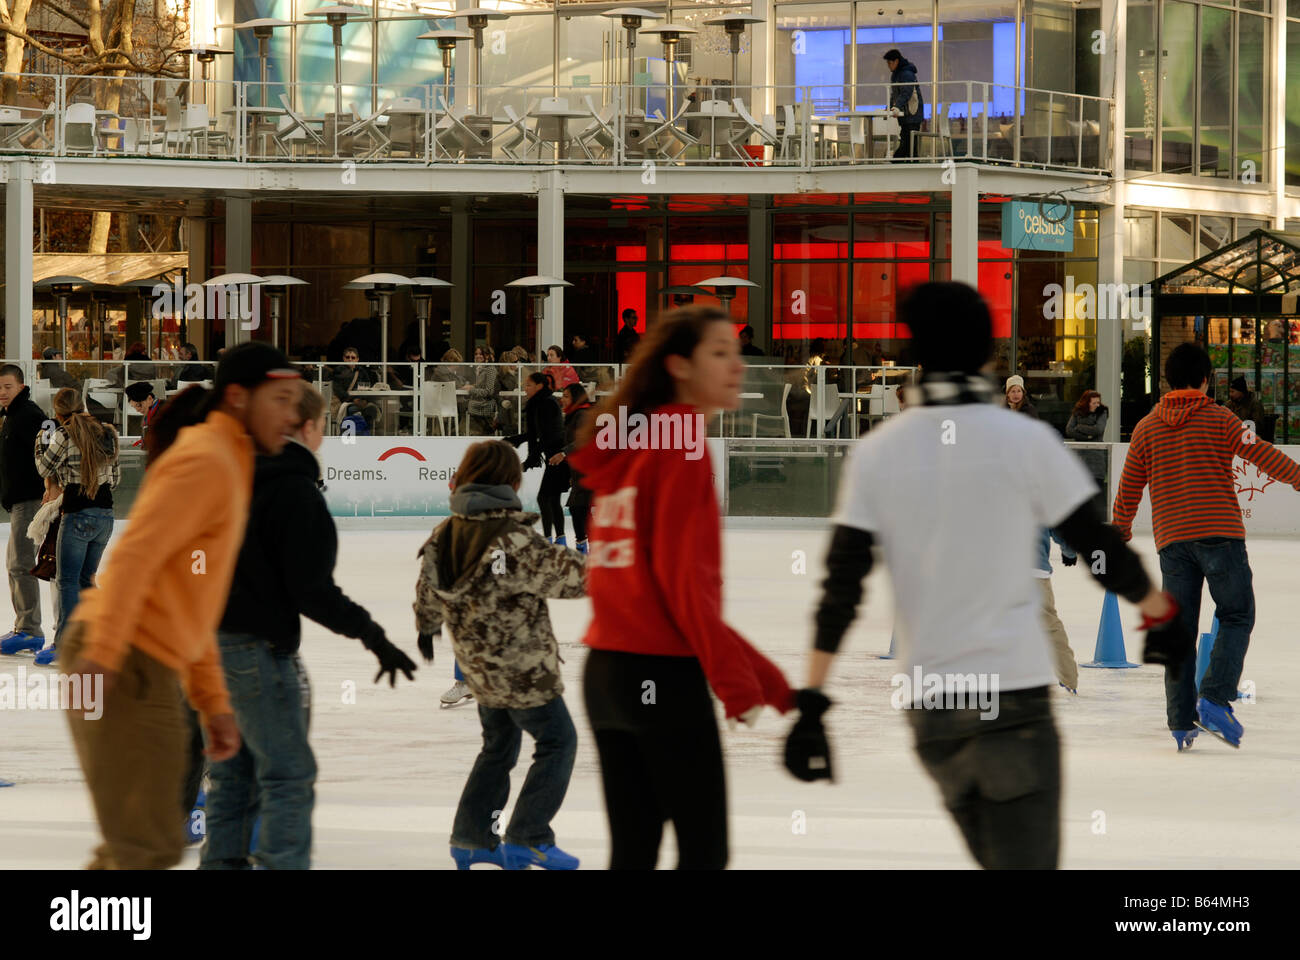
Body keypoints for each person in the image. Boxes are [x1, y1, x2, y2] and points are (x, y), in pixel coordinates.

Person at [784, 282, 1191, 869]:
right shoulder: (1024, 440)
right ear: (987, 355)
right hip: (1013, 704)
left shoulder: (879, 453)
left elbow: (840, 589)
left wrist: (813, 703)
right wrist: (1159, 611)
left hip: (934, 712)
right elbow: (1097, 546)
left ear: (918, 351)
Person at [59, 342, 303, 869]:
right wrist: (100, 659)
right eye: (281, 399)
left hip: (150, 661)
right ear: (239, 398)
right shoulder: (207, 458)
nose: (293, 415)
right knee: (143, 843)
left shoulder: (230, 464)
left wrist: (213, 703)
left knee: (155, 840)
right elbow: (135, 558)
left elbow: (196, 607)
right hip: (118, 657)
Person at [569, 305, 795, 869]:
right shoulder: (681, 446)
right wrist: (742, 685)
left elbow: (657, 590)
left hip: (608, 675)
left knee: (635, 853)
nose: (737, 365)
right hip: (660, 678)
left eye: (737, 350)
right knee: (703, 855)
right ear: (679, 367)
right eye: (719, 353)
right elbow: (684, 593)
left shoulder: (636, 446)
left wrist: (771, 683)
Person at [203, 382, 416, 870]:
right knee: (286, 774)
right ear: (308, 427)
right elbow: (311, 589)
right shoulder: (295, 491)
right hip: (257, 650)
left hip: (213, 646)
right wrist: (372, 635)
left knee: (236, 775)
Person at [1113, 342, 1300, 749]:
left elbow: (1129, 486)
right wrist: (1298, 477)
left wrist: (1121, 528)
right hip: (1220, 533)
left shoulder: (1146, 427)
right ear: (1206, 379)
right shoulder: (1220, 418)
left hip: (1172, 539)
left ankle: (1181, 724)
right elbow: (1260, 453)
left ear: (1166, 380)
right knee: (1236, 615)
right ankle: (1214, 698)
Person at [414, 440, 587, 870]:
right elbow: (569, 579)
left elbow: (427, 599)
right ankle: (529, 836)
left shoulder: (445, 533)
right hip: (523, 672)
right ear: (510, 481)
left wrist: (428, 628)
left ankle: (471, 838)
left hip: (479, 672)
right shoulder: (511, 536)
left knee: (498, 749)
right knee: (558, 742)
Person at [30, 387, 120, 667]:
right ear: (82, 406)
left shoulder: (63, 434)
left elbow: (44, 469)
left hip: (77, 512)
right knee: (87, 579)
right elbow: (114, 479)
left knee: (68, 581)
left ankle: (66, 644)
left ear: (57, 413)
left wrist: (40, 444)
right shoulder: (106, 431)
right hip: (105, 514)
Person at [0, 364, 51, 657]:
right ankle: (24, 626)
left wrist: (50, 488)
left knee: (21, 564)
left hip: (30, 499)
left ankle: (30, 629)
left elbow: (49, 447)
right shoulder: (11, 416)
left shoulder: (30, 415)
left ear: (21, 386)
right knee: (15, 565)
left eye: (8, 387)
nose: (3, 393)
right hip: (18, 500)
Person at [505, 373, 569, 544]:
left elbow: (547, 435)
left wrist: (530, 460)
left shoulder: (545, 404)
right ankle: (558, 538)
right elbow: (537, 434)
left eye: (529, 385)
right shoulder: (540, 403)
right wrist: (515, 439)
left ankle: (549, 539)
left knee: (545, 498)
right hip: (553, 456)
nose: (525, 388)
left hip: (558, 457)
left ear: (540, 386)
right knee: (552, 499)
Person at [549, 383, 595, 555]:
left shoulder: (582, 415)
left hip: (587, 470)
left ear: (575, 398)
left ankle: (584, 549)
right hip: (579, 472)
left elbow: (584, 441)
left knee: (578, 509)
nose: (562, 399)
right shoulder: (573, 415)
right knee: (581, 510)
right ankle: (586, 548)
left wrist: (563, 453)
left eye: (566, 396)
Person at [1035, 529, 1079, 694]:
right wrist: (1069, 552)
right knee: (1051, 626)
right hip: (1035, 570)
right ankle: (1069, 678)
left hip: (1001, 573)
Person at [884, 49, 924, 161]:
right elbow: (895, 94)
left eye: (890, 63)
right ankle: (912, 164)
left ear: (896, 61)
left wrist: (896, 107)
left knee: (908, 143)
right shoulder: (896, 75)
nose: (889, 66)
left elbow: (906, 92)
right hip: (906, 115)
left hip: (912, 114)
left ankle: (897, 161)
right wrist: (889, 106)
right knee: (910, 144)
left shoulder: (906, 74)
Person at [331, 346, 381, 434]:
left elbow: (367, 387)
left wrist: (363, 399)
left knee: (373, 409)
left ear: (357, 359)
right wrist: (353, 399)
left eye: (353, 357)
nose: (350, 359)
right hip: (345, 401)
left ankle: (366, 435)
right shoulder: (338, 371)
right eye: (347, 357)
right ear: (343, 358)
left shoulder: (362, 371)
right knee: (354, 410)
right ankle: (354, 437)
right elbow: (338, 390)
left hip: (361, 400)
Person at [467, 345, 500, 436]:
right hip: (477, 406)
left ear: (488, 356)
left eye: (481, 354)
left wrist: (471, 390)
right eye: (476, 354)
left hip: (485, 407)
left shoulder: (490, 369)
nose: (478, 356)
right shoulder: (478, 369)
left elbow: (489, 391)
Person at [125, 381, 164, 449]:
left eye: (139, 405)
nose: (137, 410)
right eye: (134, 407)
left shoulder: (165, 411)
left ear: (149, 398)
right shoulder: (151, 412)